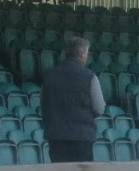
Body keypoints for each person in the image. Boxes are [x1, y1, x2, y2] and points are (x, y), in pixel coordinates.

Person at [40, 35, 106, 163]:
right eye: (86, 53)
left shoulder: (48, 76)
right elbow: (99, 108)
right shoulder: (90, 77)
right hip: (82, 136)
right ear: (81, 54)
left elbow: (43, 104)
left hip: (56, 136)